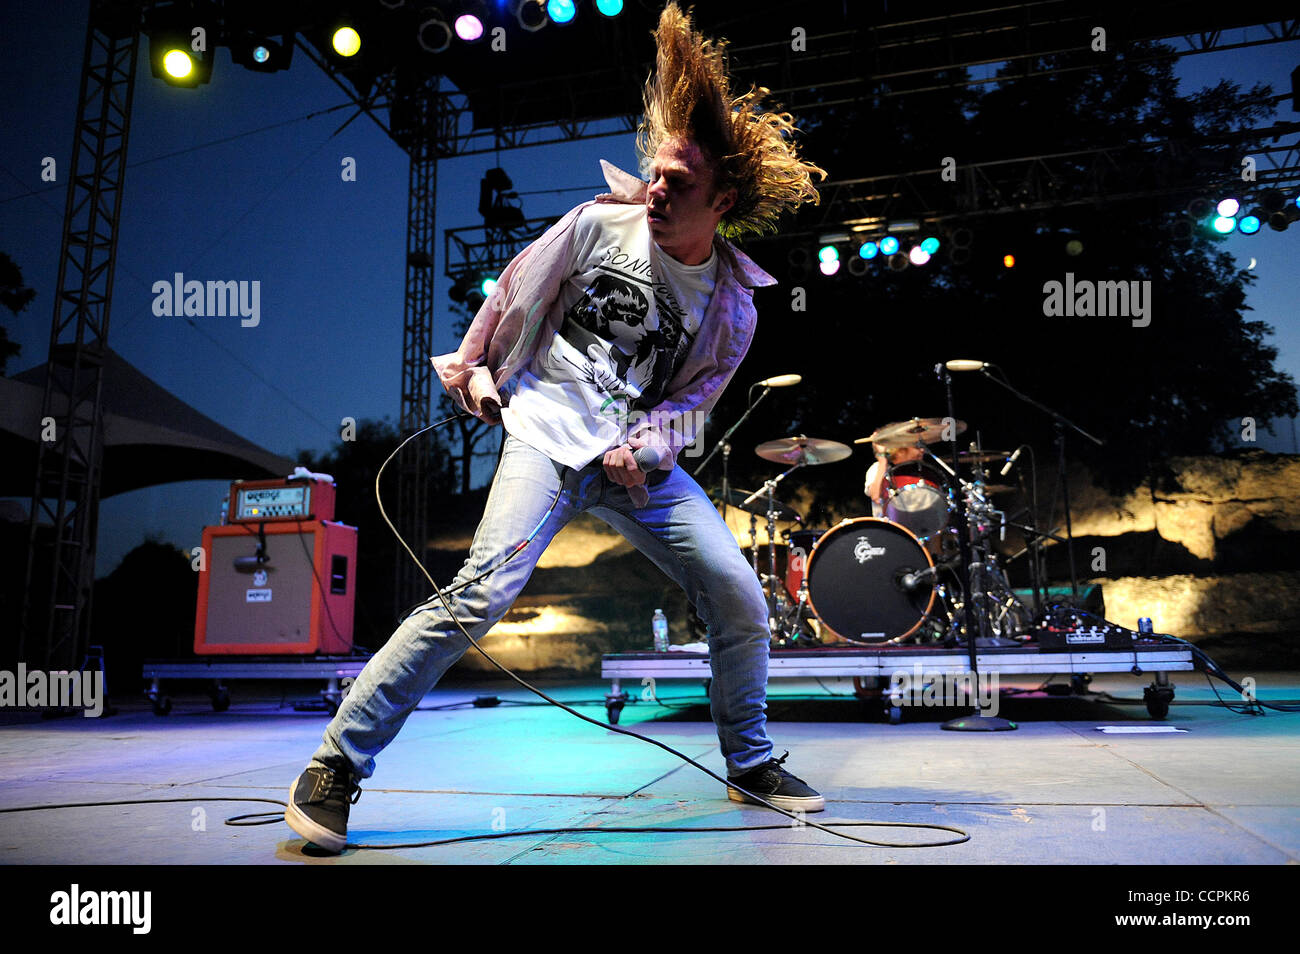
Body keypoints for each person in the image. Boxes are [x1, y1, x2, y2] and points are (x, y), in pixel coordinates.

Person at [285, 1, 827, 854]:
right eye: (655, 173)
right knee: (478, 594)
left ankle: (750, 762)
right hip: (543, 432)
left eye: (679, 184)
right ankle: (334, 768)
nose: (657, 189)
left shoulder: (730, 307)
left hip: (632, 468)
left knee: (739, 595)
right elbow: (507, 293)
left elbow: (690, 410)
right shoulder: (592, 225)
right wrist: (475, 374)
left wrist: (648, 446)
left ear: (720, 198)